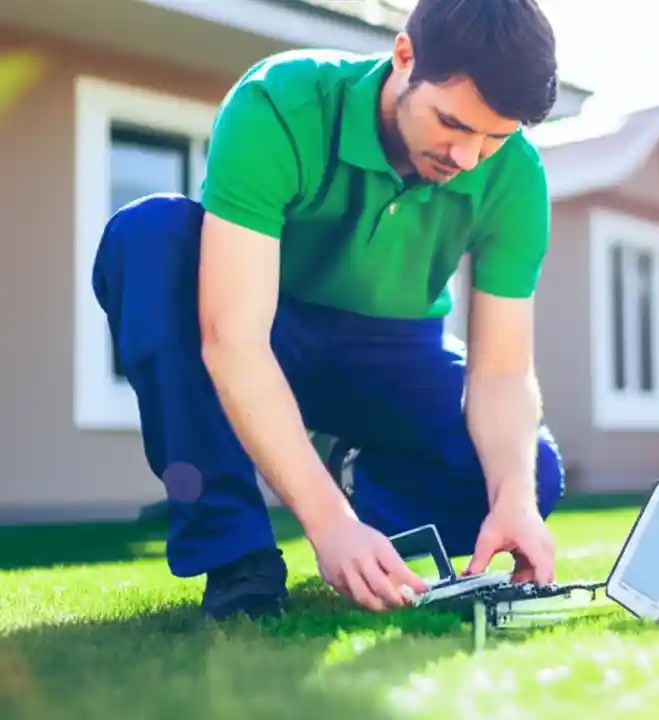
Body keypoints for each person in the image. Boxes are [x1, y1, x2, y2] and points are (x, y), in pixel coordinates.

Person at [90, 0, 565, 620]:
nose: (468, 157)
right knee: (148, 236)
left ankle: (346, 476)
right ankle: (239, 557)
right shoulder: (280, 103)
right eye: (451, 123)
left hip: (394, 347)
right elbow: (232, 336)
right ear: (404, 58)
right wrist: (326, 522)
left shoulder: (517, 176)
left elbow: (501, 373)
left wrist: (515, 500)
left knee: (534, 472)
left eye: (494, 138)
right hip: (268, 326)